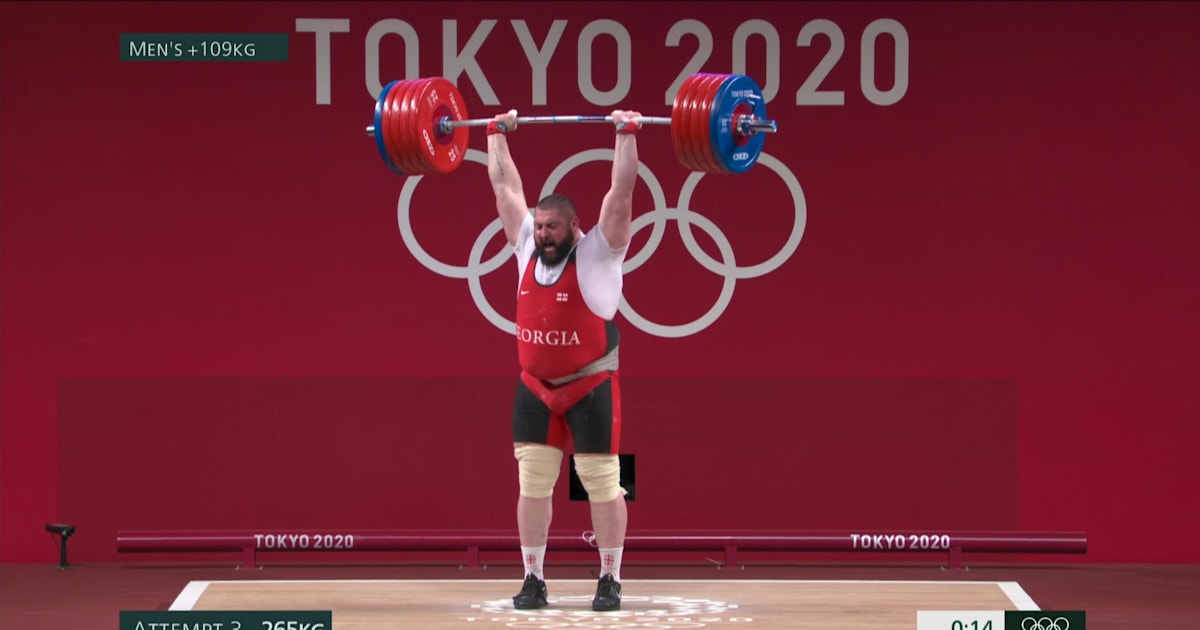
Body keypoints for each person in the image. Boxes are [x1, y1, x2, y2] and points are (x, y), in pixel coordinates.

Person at [486, 108, 641, 612]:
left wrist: (625, 135)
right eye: (541, 225)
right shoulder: (527, 244)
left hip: (591, 387)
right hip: (535, 387)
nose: (543, 233)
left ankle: (610, 577)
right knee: (532, 485)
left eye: (553, 226)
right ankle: (533, 578)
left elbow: (622, 193)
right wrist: (495, 135)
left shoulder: (601, 252)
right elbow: (505, 189)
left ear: (575, 227)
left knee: (602, 482)